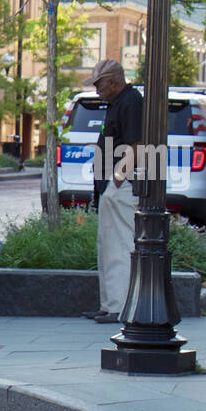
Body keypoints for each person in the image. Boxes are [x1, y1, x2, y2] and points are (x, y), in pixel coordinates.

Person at [83, 59, 143, 324]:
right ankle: (109, 305)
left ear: (115, 81)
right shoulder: (119, 102)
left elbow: (137, 145)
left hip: (122, 185)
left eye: (100, 84)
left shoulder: (131, 102)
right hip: (112, 185)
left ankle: (118, 306)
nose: (97, 89)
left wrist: (116, 182)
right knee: (107, 245)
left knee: (118, 245)